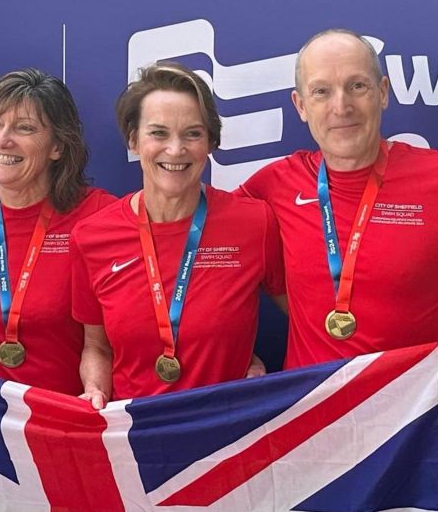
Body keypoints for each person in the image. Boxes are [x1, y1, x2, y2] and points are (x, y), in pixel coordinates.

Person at [239, 29, 438, 512]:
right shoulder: (271, 188)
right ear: (300, 105)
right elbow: (203, 263)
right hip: (312, 451)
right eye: (322, 91)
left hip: (420, 446)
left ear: (383, 92)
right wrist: (237, 353)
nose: (342, 106)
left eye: (357, 86)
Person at [74, 62, 286, 408]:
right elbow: (96, 346)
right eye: (158, 133)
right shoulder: (92, 236)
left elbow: (305, 316)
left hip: (227, 433)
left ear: (210, 142)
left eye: (192, 133)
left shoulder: (254, 223)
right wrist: (95, 389)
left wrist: (248, 359)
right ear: (133, 139)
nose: (175, 149)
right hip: (134, 437)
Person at [0, 68, 115, 393]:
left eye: (24, 128)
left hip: (72, 415)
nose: (3, 139)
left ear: (57, 147)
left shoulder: (100, 217)